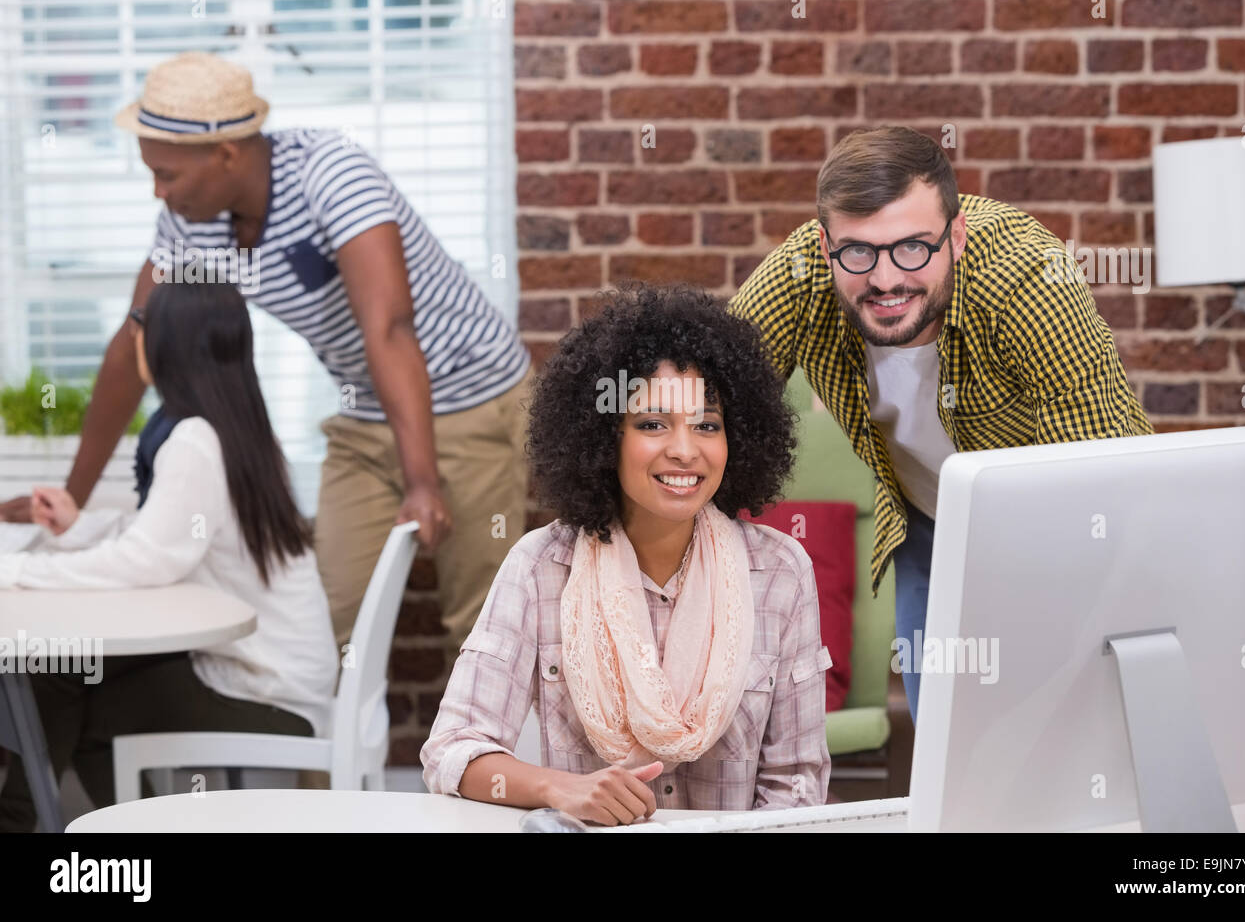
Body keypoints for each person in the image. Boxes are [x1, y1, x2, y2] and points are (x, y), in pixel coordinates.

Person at [0, 51, 534, 679]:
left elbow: (388, 326)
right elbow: (132, 347)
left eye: (168, 174)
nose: (158, 192)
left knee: (478, 629)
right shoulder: (191, 226)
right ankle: (324, 772)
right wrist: (72, 500)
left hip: (473, 402)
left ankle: (493, 779)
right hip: (365, 413)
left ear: (224, 155)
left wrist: (422, 480)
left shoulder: (329, 173)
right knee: (328, 624)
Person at [729, 125, 1154, 724]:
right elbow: (707, 409)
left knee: (1076, 730)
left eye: (912, 248)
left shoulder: (1028, 281)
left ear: (955, 234)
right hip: (931, 526)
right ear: (825, 243)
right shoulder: (800, 276)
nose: (884, 280)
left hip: (1065, 526)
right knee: (945, 747)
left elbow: (1100, 479)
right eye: (858, 252)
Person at [420, 286, 833, 824]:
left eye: (707, 425)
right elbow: (451, 751)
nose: (685, 450)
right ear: (603, 436)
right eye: (652, 424)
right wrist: (560, 789)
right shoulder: (541, 567)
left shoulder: (781, 573)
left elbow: (797, 788)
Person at [0, 282, 337, 832]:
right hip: (282, 678)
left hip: (264, 693)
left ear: (167, 340)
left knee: (58, 679)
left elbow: (145, 561)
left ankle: (23, 820)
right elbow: (162, 534)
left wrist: (14, 569)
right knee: (67, 681)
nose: (134, 331)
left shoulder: (193, 440)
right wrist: (77, 526)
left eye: (140, 319)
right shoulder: (229, 425)